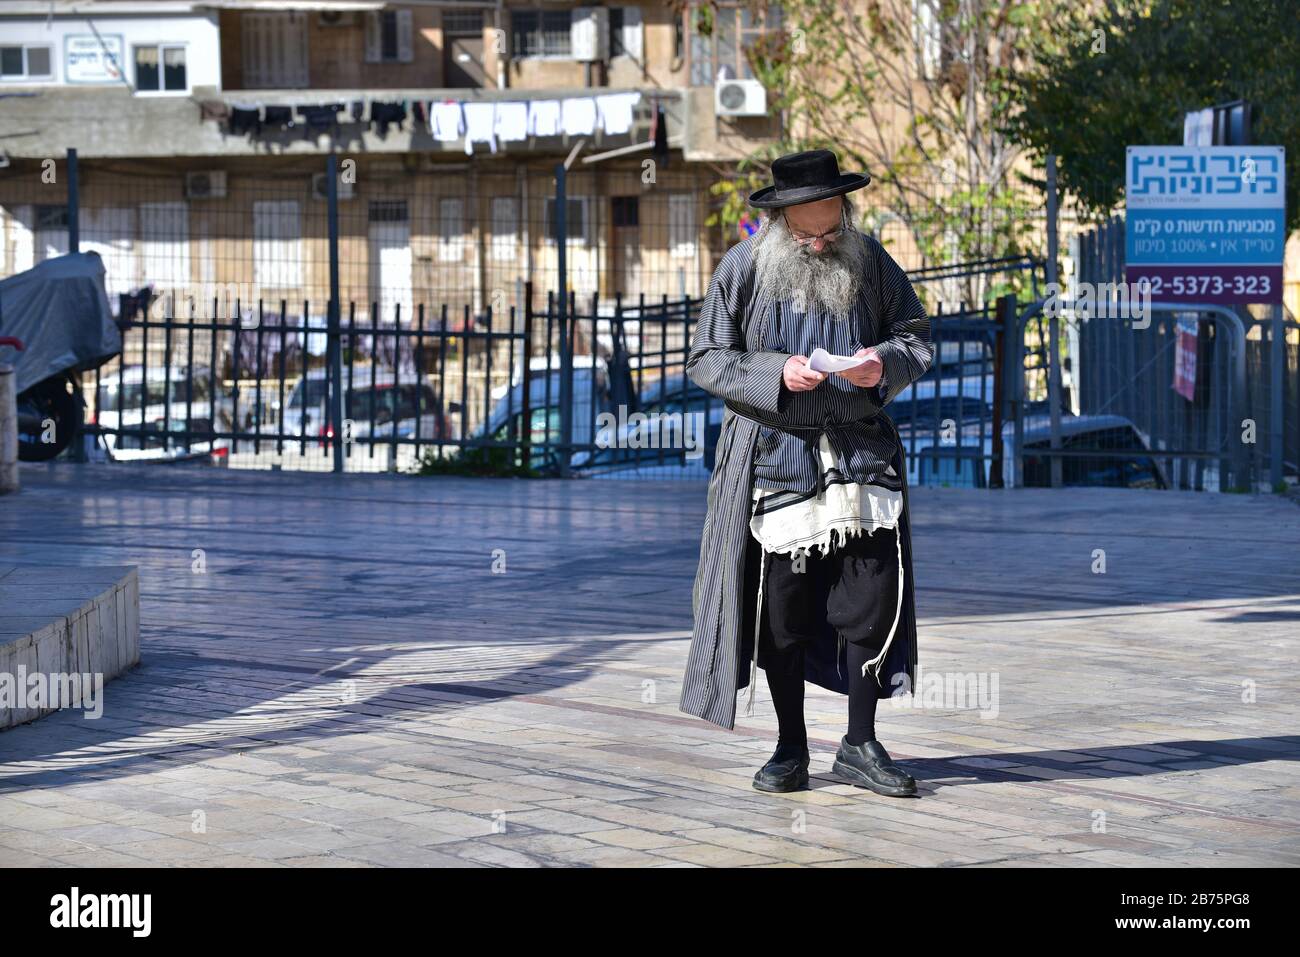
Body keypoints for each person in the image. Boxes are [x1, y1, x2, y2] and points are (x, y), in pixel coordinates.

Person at [678, 149, 934, 797]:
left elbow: (915, 336)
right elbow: (707, 359)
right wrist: (774, 374)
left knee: (871, 601)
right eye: (806, 233)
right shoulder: (743, 269)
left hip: (859, 457)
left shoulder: (870, 260)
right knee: (781, 612)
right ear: (779, 220)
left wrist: (883, 364)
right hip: (776, 457)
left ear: (843, 214)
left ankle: (860, 742)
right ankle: (790, 745)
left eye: (831, 230)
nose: (820, 244)